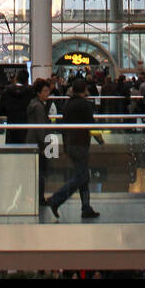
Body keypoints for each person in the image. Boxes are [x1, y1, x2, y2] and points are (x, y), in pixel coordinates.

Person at [46, 78, 99, 219]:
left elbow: (63, 126)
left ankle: (86, 208)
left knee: (83, 176)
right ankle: (55, 199)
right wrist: (100, 140)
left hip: (70, 143)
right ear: (85, 90)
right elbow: (91, 125)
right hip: (80, 144)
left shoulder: (68, 104)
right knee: (81, 177)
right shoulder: (85, 105)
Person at [27, 77, 52, 209]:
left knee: (37, 171)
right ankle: (40, 198)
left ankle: (37, 196)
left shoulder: (34, 104)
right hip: (39, 144)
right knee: (41, 172)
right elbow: (41, 128)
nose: (47, 93)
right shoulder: (39, 107)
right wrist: (44, 145)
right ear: (38, 92)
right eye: (45, 90)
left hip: (32, 141)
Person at [0, 68, 32, 144]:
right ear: (26, 80)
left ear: (17, 79)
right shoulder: (30, 92)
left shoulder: (6, 91)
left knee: (11, 149)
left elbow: (0, 111)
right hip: (25, 126)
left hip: (11, 125)